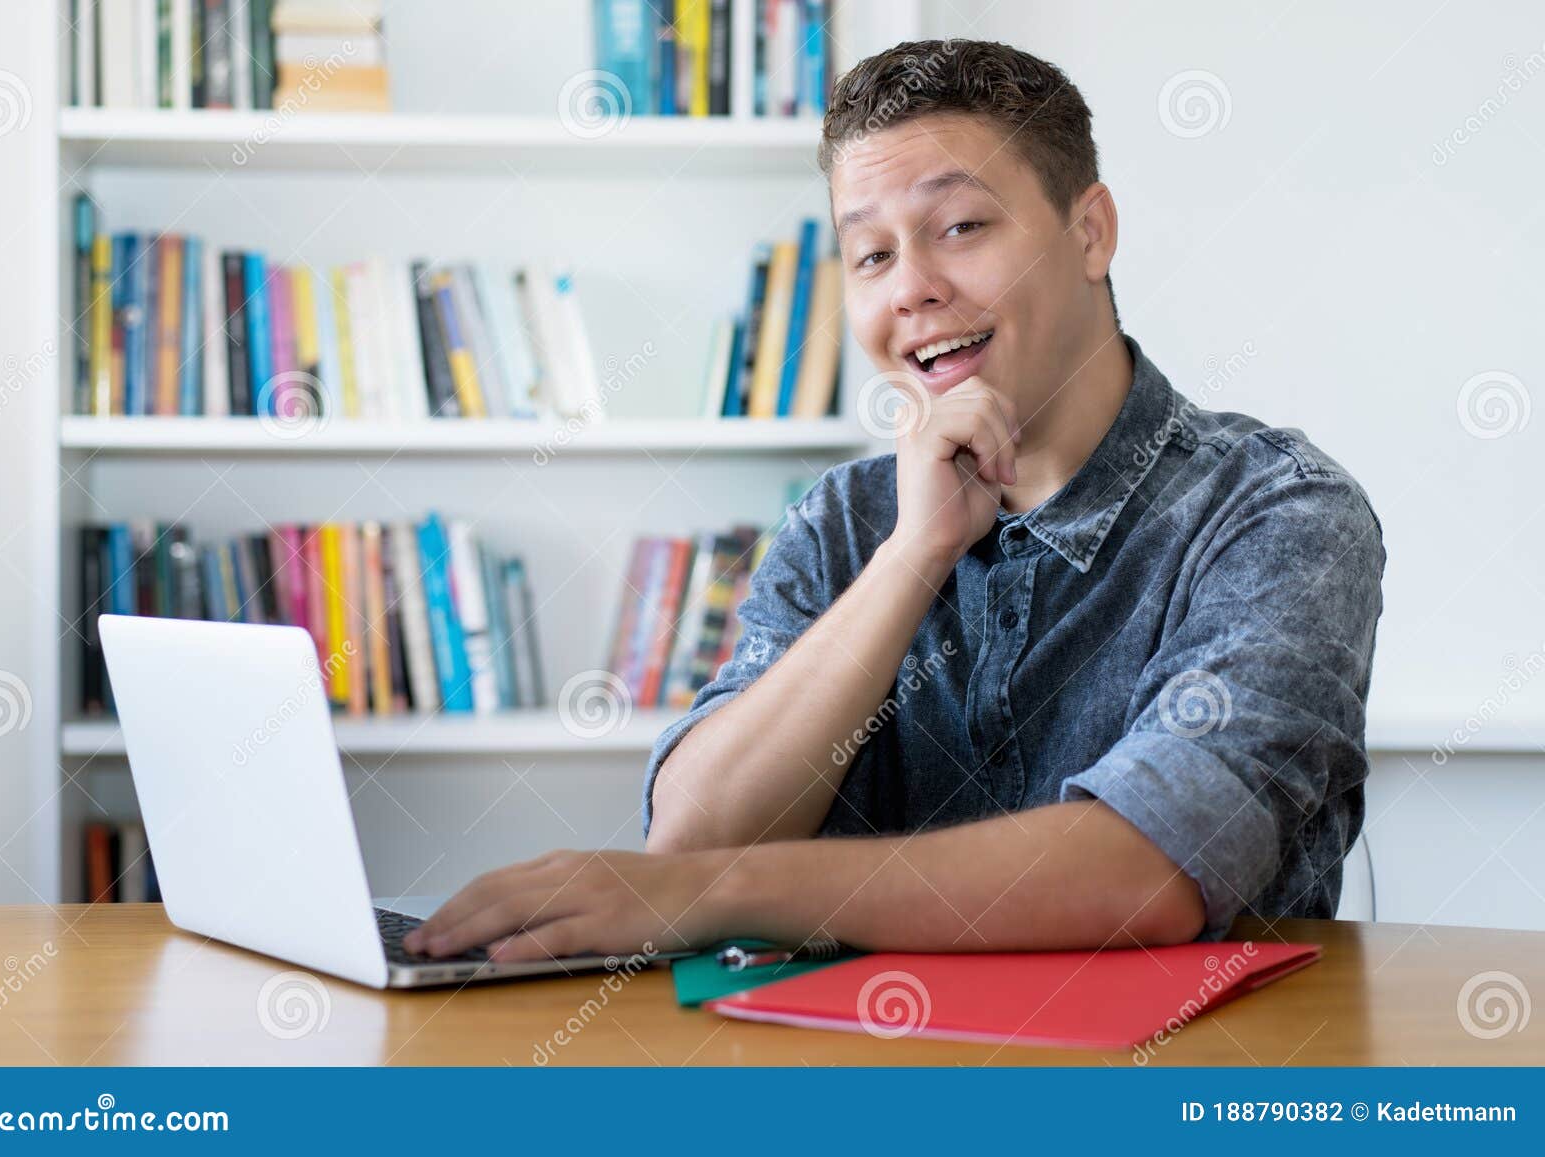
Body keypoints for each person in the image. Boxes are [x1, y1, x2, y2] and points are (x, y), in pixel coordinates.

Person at [404, 39, 1386, 964]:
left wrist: (721, 894)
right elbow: (692, 836)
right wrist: (914, 554)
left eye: (960, 227)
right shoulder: (845, 521)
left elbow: (1147, 870)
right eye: (871, 255)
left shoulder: (1277, 512)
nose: (911, 288)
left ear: (1090, 233)